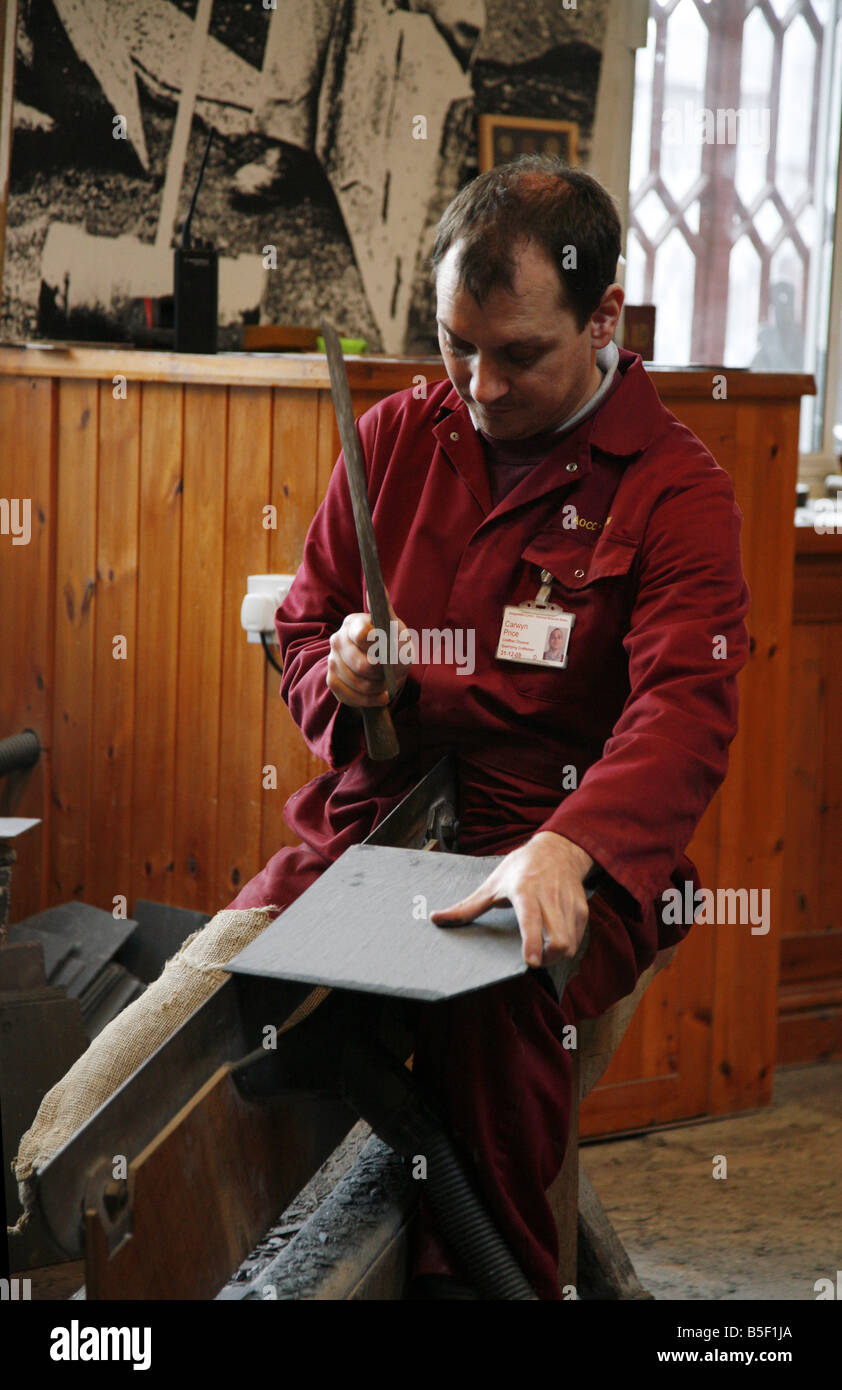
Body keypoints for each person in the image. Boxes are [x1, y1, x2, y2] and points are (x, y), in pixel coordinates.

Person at [227, 156, 750, 1299]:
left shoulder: (675, 490)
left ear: (603, 315)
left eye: (517, 353)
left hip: (567, 849)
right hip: (377, 829)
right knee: (232, 995)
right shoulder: (396, 439)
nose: (479, 384)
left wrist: (570, 844)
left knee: (492, 1003)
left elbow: (682, 708)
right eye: (454, 345)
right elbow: (306, 626)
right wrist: (344, 680)